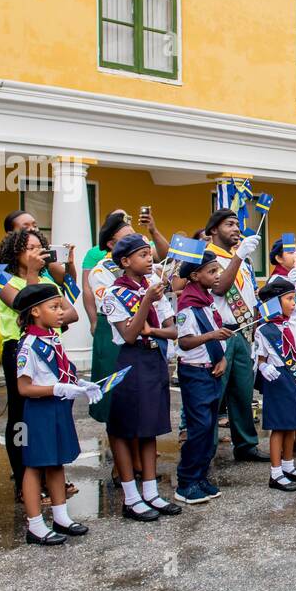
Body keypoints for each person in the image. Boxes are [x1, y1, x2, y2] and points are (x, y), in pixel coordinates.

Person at [13, 283, 102, 544]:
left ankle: (61, 516)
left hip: (57, 407)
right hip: (38, 411)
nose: (61, 312)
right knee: (34, 465)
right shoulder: (29, 345)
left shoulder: (50, 337)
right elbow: (24, 387)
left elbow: (60, 370)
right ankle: (35, 524)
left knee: (56, 461)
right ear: (36, 312)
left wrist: (80, 384)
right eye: (54, 307)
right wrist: (57, 388)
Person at [102, 234, 181, 520]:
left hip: (154, 357)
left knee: (150, 427)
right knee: (124, 428)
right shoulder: (114, 293)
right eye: (143, 255)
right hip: (131, 359)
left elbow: (173, 330)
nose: (150, 260)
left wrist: (153, 329)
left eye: (150, 254)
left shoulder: (153, 288)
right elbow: (130, 333)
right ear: (125, 261)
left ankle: (150, 491)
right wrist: (147, 301)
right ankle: (131, 496)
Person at [0, 228, 79, 497]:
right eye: (29, 248)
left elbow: (71, 312)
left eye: (38, 247)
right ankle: (24, 478)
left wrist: (52, 315)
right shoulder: (0, 278)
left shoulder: (47, 279)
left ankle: (49, 476)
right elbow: (24, 307)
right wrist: (33, 275)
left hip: (50, 347)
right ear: (15, 251)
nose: (35, 252)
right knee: (22, 416)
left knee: (49, 413)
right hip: (19, 348)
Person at [203, 209, 267, 463]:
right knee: (214, 393)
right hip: (219, 331)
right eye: (230, 224)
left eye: (237, 224)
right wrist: (239, 257)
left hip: (242, 330)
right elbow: (219, 287)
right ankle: (204, 448)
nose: (236, 229)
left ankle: (246, 444)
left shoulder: (239, 259)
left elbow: (249, 293)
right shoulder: (207, 256)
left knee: (242, 392)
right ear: (214, 229)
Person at [173, 252, 232, 505]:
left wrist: (222, 358)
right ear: (195, 276)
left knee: (209, 429)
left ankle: (200, 476)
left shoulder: (206, 301)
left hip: (210, 369)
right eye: (211, 272)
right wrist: (212, 337)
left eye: (217, 270)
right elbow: (185, 342)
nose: (217, 275)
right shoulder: (188, 305)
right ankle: (186, 482)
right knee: (198, 429)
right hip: (195, 372)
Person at [256, 276, 296, 491]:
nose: (293, 303)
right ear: (274, 303)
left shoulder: (294, 325)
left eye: (294, 298)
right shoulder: (265, 329)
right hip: (277, 379)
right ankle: (276, 472)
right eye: (289, 299)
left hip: (293, 377)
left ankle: (289, 465)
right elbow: (260, 358)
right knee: (278, 427)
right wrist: (263, 367)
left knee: (292, 423)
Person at [84, 211, 135, 425]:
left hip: (136, 327)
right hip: (113, 328)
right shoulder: (101, 270)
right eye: (128, 238)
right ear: (112, 244)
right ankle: (118, 440)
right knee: (113, 385)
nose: (136, 241)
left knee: (134, 388)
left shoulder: (139, 266)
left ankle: (135, 435)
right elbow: (111, 301)